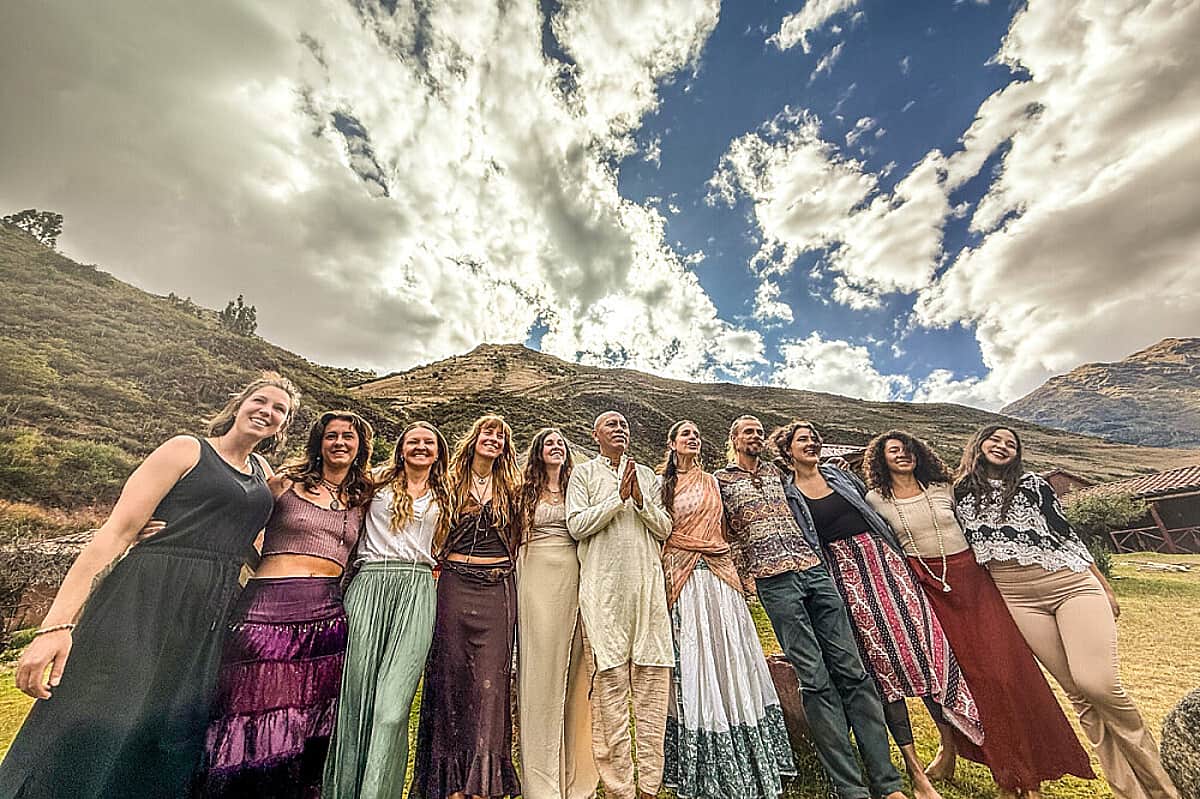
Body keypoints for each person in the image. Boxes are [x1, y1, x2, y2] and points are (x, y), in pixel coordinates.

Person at [0, 373, 298, 799]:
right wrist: (55, 627)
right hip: (146, 592)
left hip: (209, 610)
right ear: (239, 404)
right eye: (260, 401)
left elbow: (250, 547)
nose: (267, 411)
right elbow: (115, 533)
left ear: (282, 426)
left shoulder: (263, 472)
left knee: (166, 730)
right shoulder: (187, 449)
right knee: (97, 708)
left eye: (279, 410)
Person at [863, 429, 1094, 799]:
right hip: (925, 589)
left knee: (1003, 676)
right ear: (881, 459)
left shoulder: (943, 487)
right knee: (948, 679)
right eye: (894, 451)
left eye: (908, 449)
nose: (903, 455)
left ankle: (1023, 774)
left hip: (974, 583)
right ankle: (958, 751)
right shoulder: (874, 499)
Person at [955, 424, 1179, 799]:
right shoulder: (958, 492)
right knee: (1079, 695)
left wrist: (1104, 585)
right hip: (1017, 597)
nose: (1003, 446)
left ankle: (1164, 786)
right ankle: (1131, 792)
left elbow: (1066, 533)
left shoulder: (1033, 485)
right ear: (978, 445)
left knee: (1099, 685)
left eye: (1011, 443)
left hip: (1069, 583)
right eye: (995, 439)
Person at [771, 420, 982, 799]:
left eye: (815, 438)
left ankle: (948, 747)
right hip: (845, 577)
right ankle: (914, 773)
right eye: (804, 439)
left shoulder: (839, 476)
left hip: (886, 564)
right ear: (788, 450)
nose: (813, 443)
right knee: (881, 668)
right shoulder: (787, 493)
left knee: (926, 653)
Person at [716, 414, 906, 799]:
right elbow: (723, 530)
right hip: (774, 581)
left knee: (853, 673)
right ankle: (850, 787)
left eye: (758, 431)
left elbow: (816, 476)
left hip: (815, 570)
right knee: (815, 681)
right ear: (733, 439)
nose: (754, 435)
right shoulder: (721, 482)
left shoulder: (778, 474)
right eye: (747, 431)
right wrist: (744, 575)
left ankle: (888, 784)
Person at [195, 410, 374, 797]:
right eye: (332, 436)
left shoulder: (363, 496)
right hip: (266, 607)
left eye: (349, 436)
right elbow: (236, 519)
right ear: (319, 443)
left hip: (326, 617)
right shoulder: (286, 483)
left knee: (305, 716)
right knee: (248, 709)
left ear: (360, 446)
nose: (340, 442)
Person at [658, 420, 795, 799]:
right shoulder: (660, 484)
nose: (693, 438)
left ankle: (752, 756)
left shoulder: (715, 481)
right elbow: (655, 530)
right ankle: (701, 762)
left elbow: (732, 525)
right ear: (672, 443)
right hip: (682, 578)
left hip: (720, 574)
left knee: (732, 655)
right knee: (694, 660)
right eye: (685, 433)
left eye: (697, 434)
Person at [323, 420, 452, 799]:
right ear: (401, 448)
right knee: (355, 696)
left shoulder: (446, 494)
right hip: (369, 584)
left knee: (393, 709)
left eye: (429, 442)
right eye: (413, 441)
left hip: (417, 588)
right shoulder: (374, 483)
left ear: (438, 452)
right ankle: (342, 791)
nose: (421, 447)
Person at [411, 414, 522, 799]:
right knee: (451, 679)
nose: (493, 438)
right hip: (455, 585)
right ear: (474, 438)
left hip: (497, 591)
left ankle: (484, 782)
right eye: (488, 431)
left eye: (501, 436)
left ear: (506, 446)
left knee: (491, 685)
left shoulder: (513, 487)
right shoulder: (448, 481)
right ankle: (450, 782)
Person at [566, 410, 673, 799]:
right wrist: (617, 499)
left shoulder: (647, 475)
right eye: (611, 424)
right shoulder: (583, 474)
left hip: (647, 594)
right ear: (596, 435)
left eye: (625, 424)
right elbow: (576, 525)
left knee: (651, 694)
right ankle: (618, 787)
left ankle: (649, 785)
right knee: (609, 693)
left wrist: (641, 501)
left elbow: (665, 528)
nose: (620, 429)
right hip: (604, 595)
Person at [516, 427, 600, 799]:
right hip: (535, 576)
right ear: (538, 451)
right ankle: (541, 782)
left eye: (561, 444)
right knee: (541, 675)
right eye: (549, 443)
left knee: (576, 675)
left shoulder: (576, 488)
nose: (556, 448)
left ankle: (575, 776)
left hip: (575, 575)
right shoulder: (524, 491)